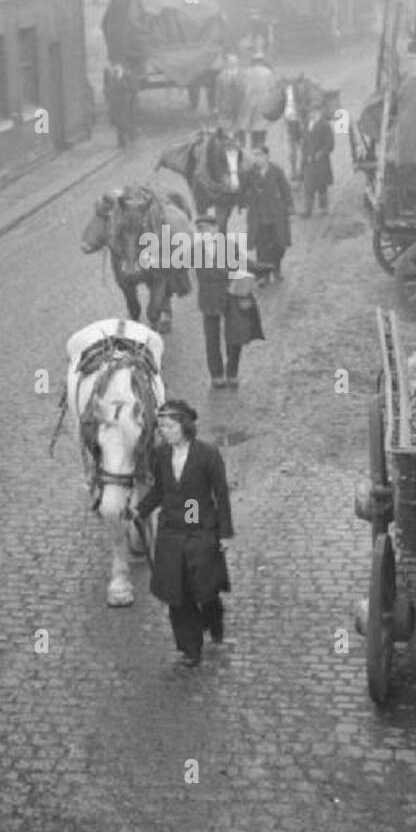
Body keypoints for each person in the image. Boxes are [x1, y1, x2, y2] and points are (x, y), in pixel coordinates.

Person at [134, 399, 233, 667]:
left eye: (170, 426)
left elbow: (221, 494)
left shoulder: (208, 455)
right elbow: (159, 491)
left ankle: (214, 622)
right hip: (171, 535)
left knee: (205, 589)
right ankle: (190, 648)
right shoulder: (161, 455)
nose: (165, 431)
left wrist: (224, 534)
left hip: (201, 533)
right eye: (162, 427)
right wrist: (139, 511)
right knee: (177, 593)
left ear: (185, 427)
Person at [193, 216, 264, 389]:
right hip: (209, 298)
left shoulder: (229, 246)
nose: (204, 233)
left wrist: (260, 267)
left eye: (207, 228)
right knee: (212, 339)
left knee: (235, 336)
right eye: (200, 230)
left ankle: (232, 373)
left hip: (231, 295)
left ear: (216, 229)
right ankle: (216, 375)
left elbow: (245, 262)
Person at [244, 144, 293, 284]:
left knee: (279, 246)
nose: (257, 159)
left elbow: (285, 189)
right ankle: (263, 276)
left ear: (267, 156)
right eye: (255, 156)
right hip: (258, 217)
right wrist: (245, 200)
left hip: (276, 215)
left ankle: (276, 270)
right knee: (261, 247)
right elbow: (243, 190)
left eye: (260, 155)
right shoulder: (250, 173)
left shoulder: (276, 171)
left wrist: (289, 206)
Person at [301, 102, 335, 217]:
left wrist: (320, 153)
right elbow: (304, 142)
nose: (313, 114)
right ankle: (307, 210)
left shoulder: (325, 125)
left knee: (322, 186)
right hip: (308, 161)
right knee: (308, 186)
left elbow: (330, 144)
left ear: (320, 113)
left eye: (315, 112)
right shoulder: (307, 124)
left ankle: (323, 208)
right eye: (311, 112)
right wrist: (305, 155)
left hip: (321, 163)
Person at [104, 60, 137, 148]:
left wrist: (130, 100)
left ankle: (131, 139)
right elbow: (110, 90)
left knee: (126, 122)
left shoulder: (127, 76)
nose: (116, 69)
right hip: (116, 104)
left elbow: (134, 89)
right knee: (118, 123)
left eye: (118, 67)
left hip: (126, 104)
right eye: (115, 68)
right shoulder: (113, 78)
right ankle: (121, 142)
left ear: (121, 67)